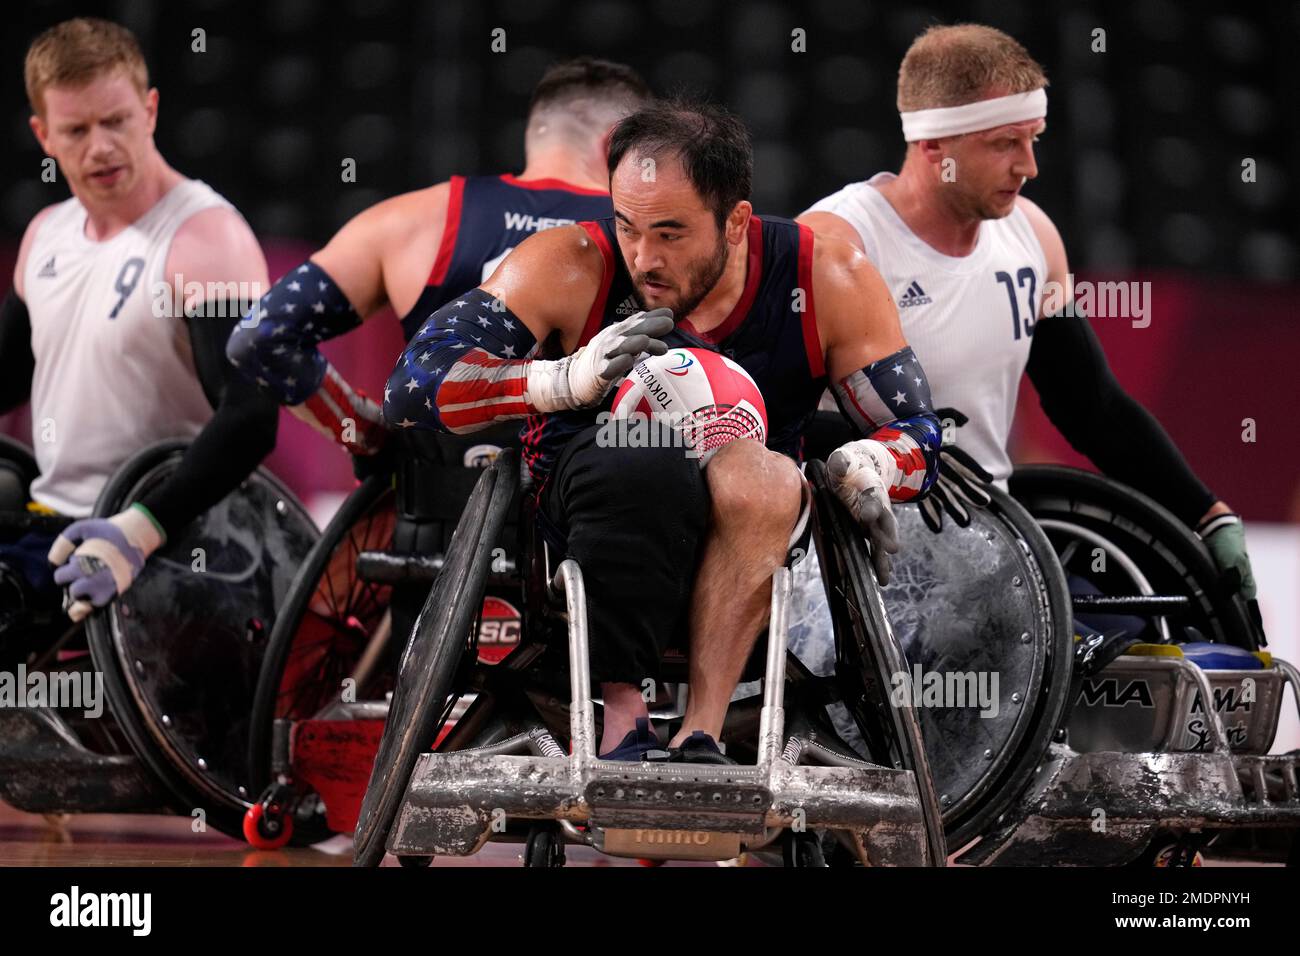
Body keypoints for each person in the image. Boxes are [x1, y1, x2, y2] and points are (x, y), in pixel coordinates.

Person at [381, 101, 941, 763]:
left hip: (751, 549)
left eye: (671, 234)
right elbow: (410, 387)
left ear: (735, 222)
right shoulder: (573, 261)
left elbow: (917, 429)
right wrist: (556, 380)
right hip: (584, 542)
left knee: (762, 473)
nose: (643, 257)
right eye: (628, 226)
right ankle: (619, 708)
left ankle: (697, 733)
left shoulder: (825, 278)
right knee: (641, 452)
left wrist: (874, 463)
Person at [799, 23, 1256, 611]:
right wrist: (912, 455)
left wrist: (1206, 512)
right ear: (934, 144)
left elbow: (1091, 406)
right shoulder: (838, 243)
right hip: (852, 551)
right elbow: (775, 413)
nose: (1030, 166)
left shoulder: (1032, 236)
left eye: (1034, 139)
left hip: (984, 546)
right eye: (1004, 144)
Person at [226, 57, 652, 647]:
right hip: (593, 549)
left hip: (438, 545)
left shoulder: (415, 217)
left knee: (426, 733)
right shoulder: (649, 241)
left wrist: (365, 433)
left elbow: (261, 337)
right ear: (616, 145)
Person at [0, 17, 276, 643]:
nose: (100, 146)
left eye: (116, 121)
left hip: (169, 535)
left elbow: (251, 416)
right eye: (76, 129)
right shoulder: (46, 234)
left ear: (150, 111)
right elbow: (9, 377)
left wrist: (140, 529)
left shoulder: (207, 237)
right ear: (43, 135)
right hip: (54, 526)